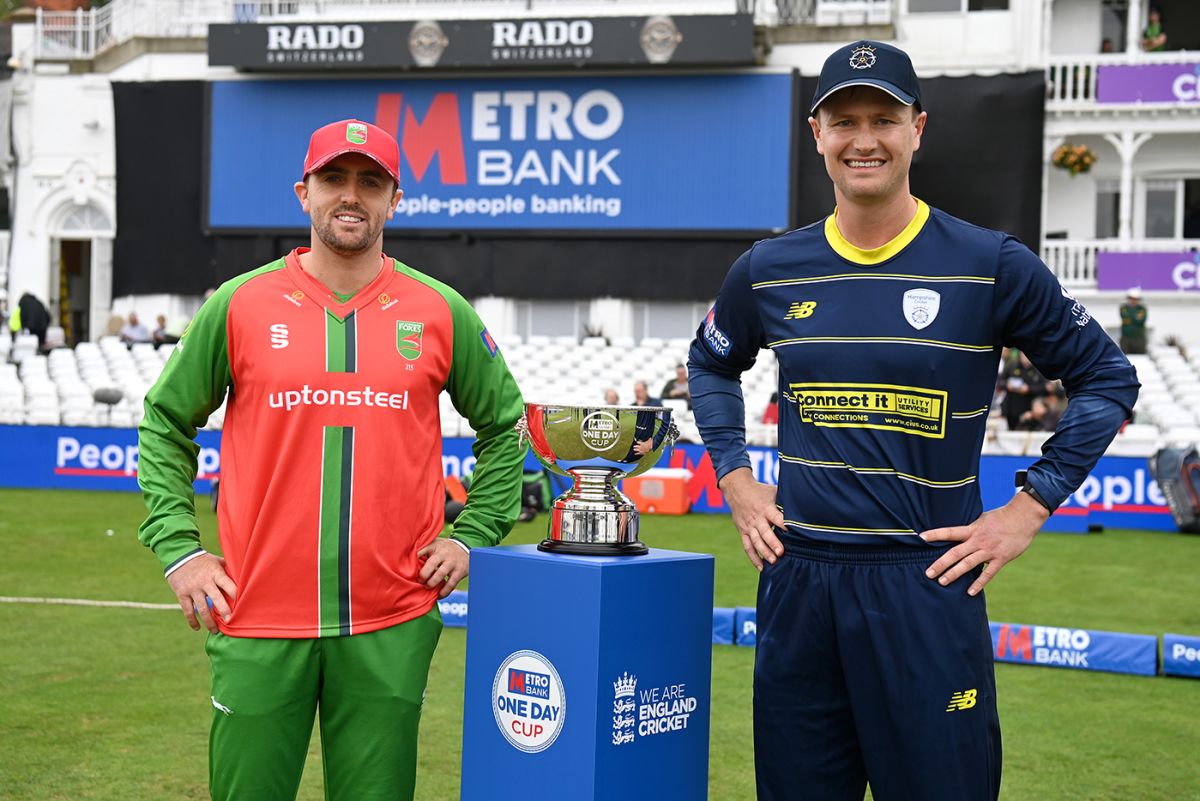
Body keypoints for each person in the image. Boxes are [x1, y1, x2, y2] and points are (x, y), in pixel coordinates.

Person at [687, 40, 1139, 801]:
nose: (864, 138)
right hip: (800, 585)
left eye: (884, 118)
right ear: (816, 133)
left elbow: (1106, 377)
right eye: (845, 120)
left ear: (918, 129)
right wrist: (734, 475)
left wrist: (1028, 510)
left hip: (925, 584)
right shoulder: (767, 269)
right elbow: (710, 362)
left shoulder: (990, 262)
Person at [137, 119, 525, 801]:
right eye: (335, 179)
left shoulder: (440, 311)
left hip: (392, 619)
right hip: (257, 614)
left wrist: (473, 533)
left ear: (394, 199)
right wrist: (180, 549)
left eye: (371, 181)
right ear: (303, 192)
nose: (352, 196)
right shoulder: (238, 304)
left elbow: (506, 426)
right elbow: (166, 422)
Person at [1000, 350, 1046, 430]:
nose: (1026, 358)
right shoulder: (1012, 365)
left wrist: (1029, 389)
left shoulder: (1038, 369)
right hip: (1011, 407)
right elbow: (1000, 382)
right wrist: (1007, 385)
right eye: (1024, 355)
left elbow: (1044, 387)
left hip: (1030, 408)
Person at [1119, 287, 1148, 354]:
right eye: (1132, 298)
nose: (1133, 301)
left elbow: (1139, 321)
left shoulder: (1142, 309)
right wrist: (1134, 316)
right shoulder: (1123, 308)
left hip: (1139, 338)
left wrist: (1130, 316)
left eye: (1136, 299)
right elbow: (1124, 316)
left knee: (1140, 358)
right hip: (1126, 338)